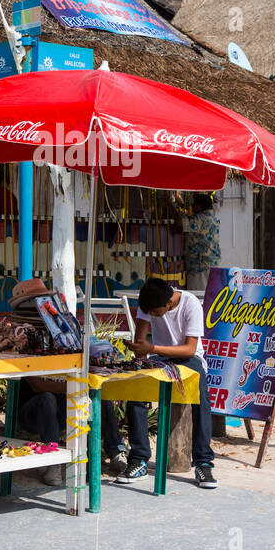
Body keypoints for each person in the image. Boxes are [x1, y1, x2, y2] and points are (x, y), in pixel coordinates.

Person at [99, 276, 217, 489]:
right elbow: (141, 338)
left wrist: (151, 349)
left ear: (169, 303)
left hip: (188, 358)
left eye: (156, 313)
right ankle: (139, 458)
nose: (153, 316)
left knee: (201, 396)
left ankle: (203, 461)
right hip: (159, 357)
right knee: (137, 390)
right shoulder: (149, 302)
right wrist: (137, 349)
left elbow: (190, 349)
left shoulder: (191, 305)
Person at [16, 376, 67, 486]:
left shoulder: (66, 359)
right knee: (47, 397)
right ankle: (54, 462)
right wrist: (78, 385)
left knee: (97, 394)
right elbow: (39, 386)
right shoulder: (31, 358)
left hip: (56, 415)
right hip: (29, 417)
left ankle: (112, 450)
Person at [182, 193, 220, 292]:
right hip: (211, 264)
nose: (192, 208)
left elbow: (180, 224)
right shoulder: (213, 218)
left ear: (199, 206)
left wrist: (171, 205)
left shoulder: (200, 219)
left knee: (199, 298)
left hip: (200, 267)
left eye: (193, 205)